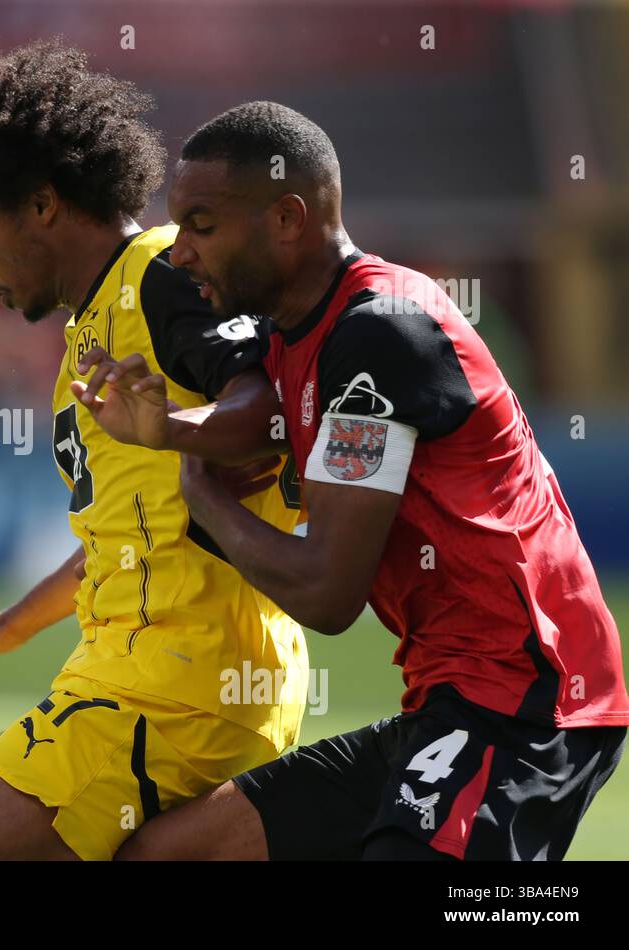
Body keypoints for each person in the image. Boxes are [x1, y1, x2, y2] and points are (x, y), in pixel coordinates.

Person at [75, 100, 629, 860]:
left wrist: (197, 488)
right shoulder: (295, 334)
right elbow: (259, 423)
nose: (179, 254)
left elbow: (327, 594)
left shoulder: (379, 334)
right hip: (446, 698)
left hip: (529, 699)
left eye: (200, 225)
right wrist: (167, 428)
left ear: (287, 219)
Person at [0, 44, 309, 860]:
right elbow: (132, 528)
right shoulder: (91, 337)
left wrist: (199, 437)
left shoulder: (161, 275)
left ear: (42, 204)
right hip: (141, 674)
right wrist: (8, 627)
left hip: (180, 685)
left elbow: (275, 396)